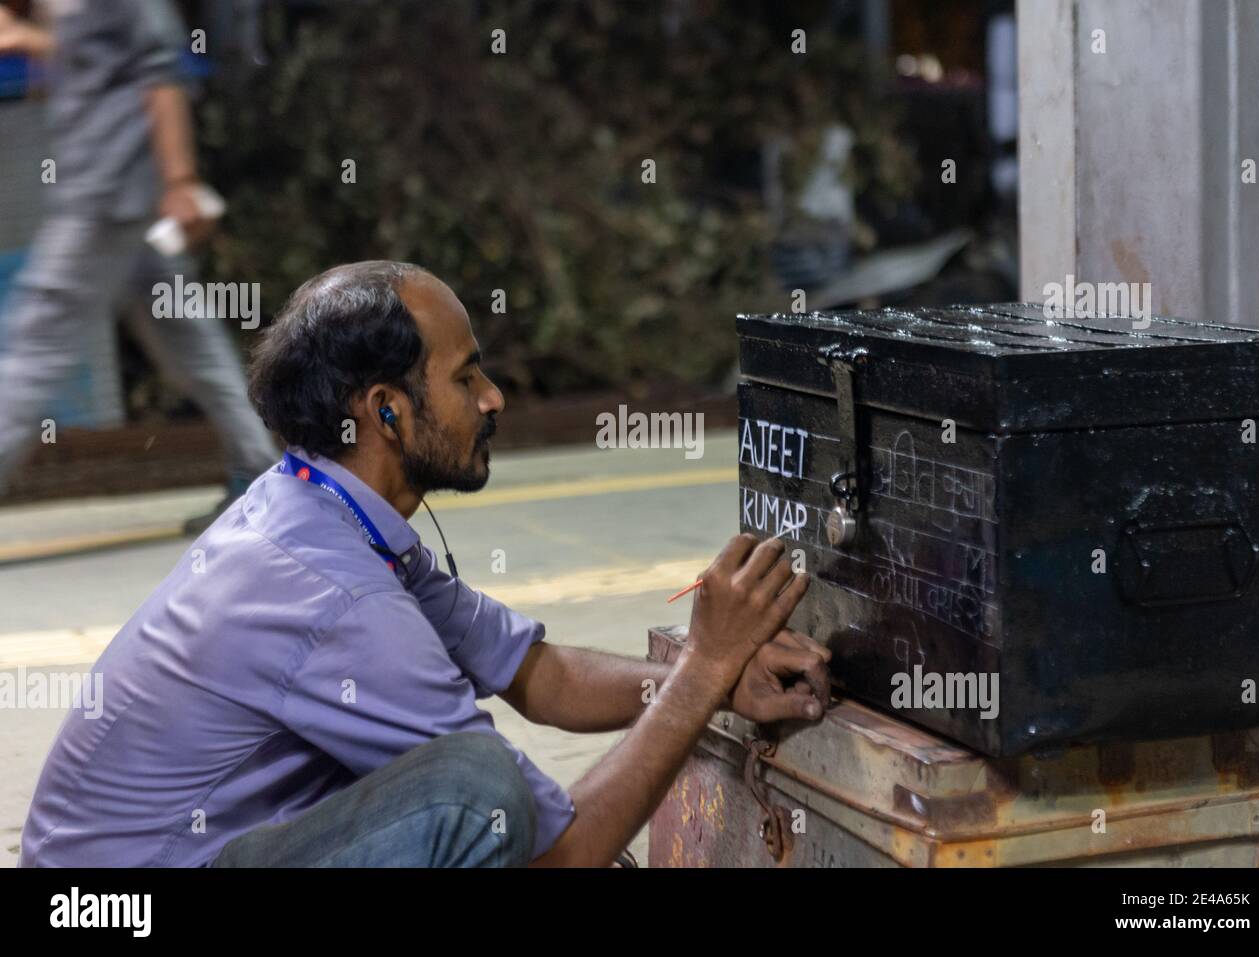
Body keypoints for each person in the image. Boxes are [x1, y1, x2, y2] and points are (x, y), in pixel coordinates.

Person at [20, 261, 832, 867]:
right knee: (482, 792)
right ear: (386, 410)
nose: (493, 398)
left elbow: (540, 676)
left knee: (541, 813)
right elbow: (558, 854)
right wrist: (703, 668)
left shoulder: (321, 503)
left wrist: (717, 677)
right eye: (465, 376)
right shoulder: (332, 591)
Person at [0, 0, 277, 529]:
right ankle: (259, 472)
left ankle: (258, 468)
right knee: (188, 341)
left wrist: (180, 182)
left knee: (35, 343)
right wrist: (33, 41)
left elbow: (161, 75)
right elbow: (96, 59)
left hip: (106, 201)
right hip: (114, 196)